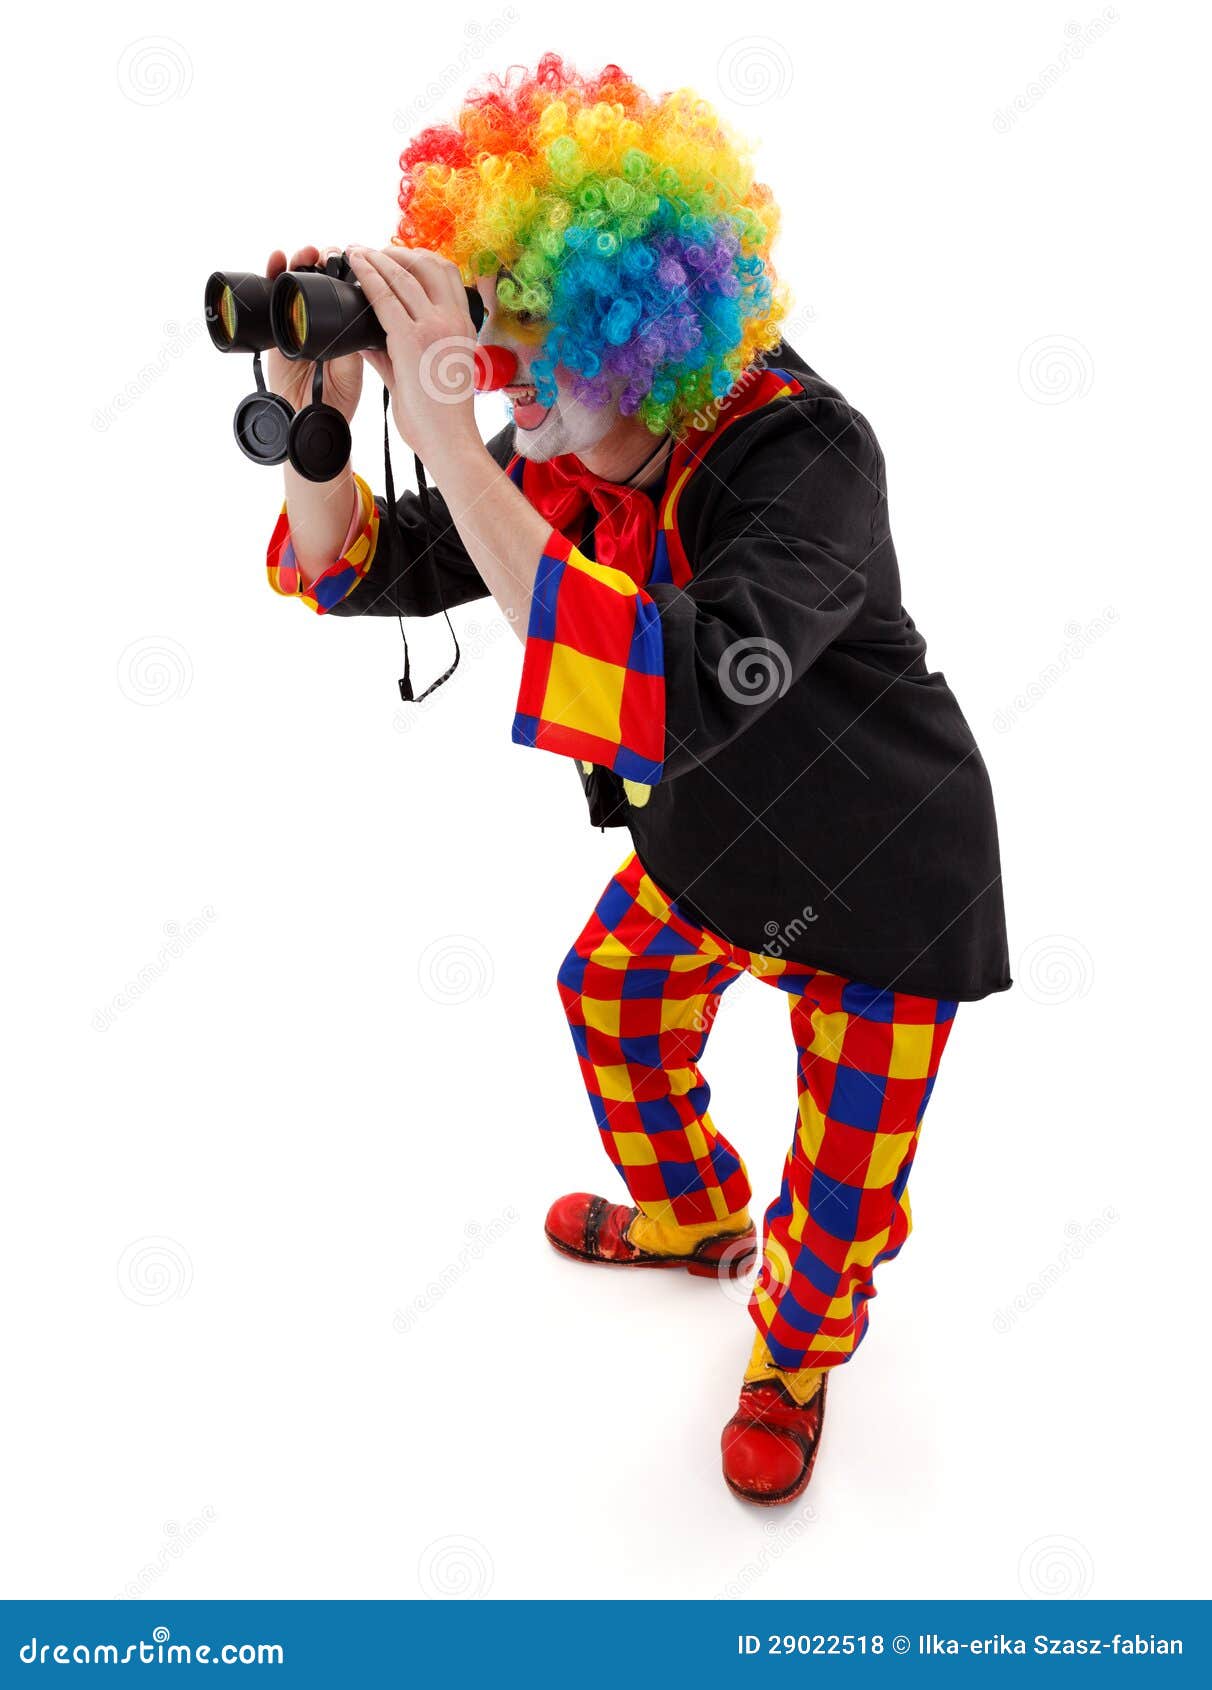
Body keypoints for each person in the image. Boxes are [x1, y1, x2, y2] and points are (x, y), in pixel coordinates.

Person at [259, 54, 1010, 1505]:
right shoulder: (566, 442)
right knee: (612, 997)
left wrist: (444, 448)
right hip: (712, 849)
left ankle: (794, 1350)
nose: (493, 375)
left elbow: (680, 684)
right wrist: (325, 426)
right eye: (484, 328)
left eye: (529, 336)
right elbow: (360, 564)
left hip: (881, 881)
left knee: (842, 1198)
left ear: (639, 327)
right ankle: (689, 1214)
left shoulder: (809, 456)